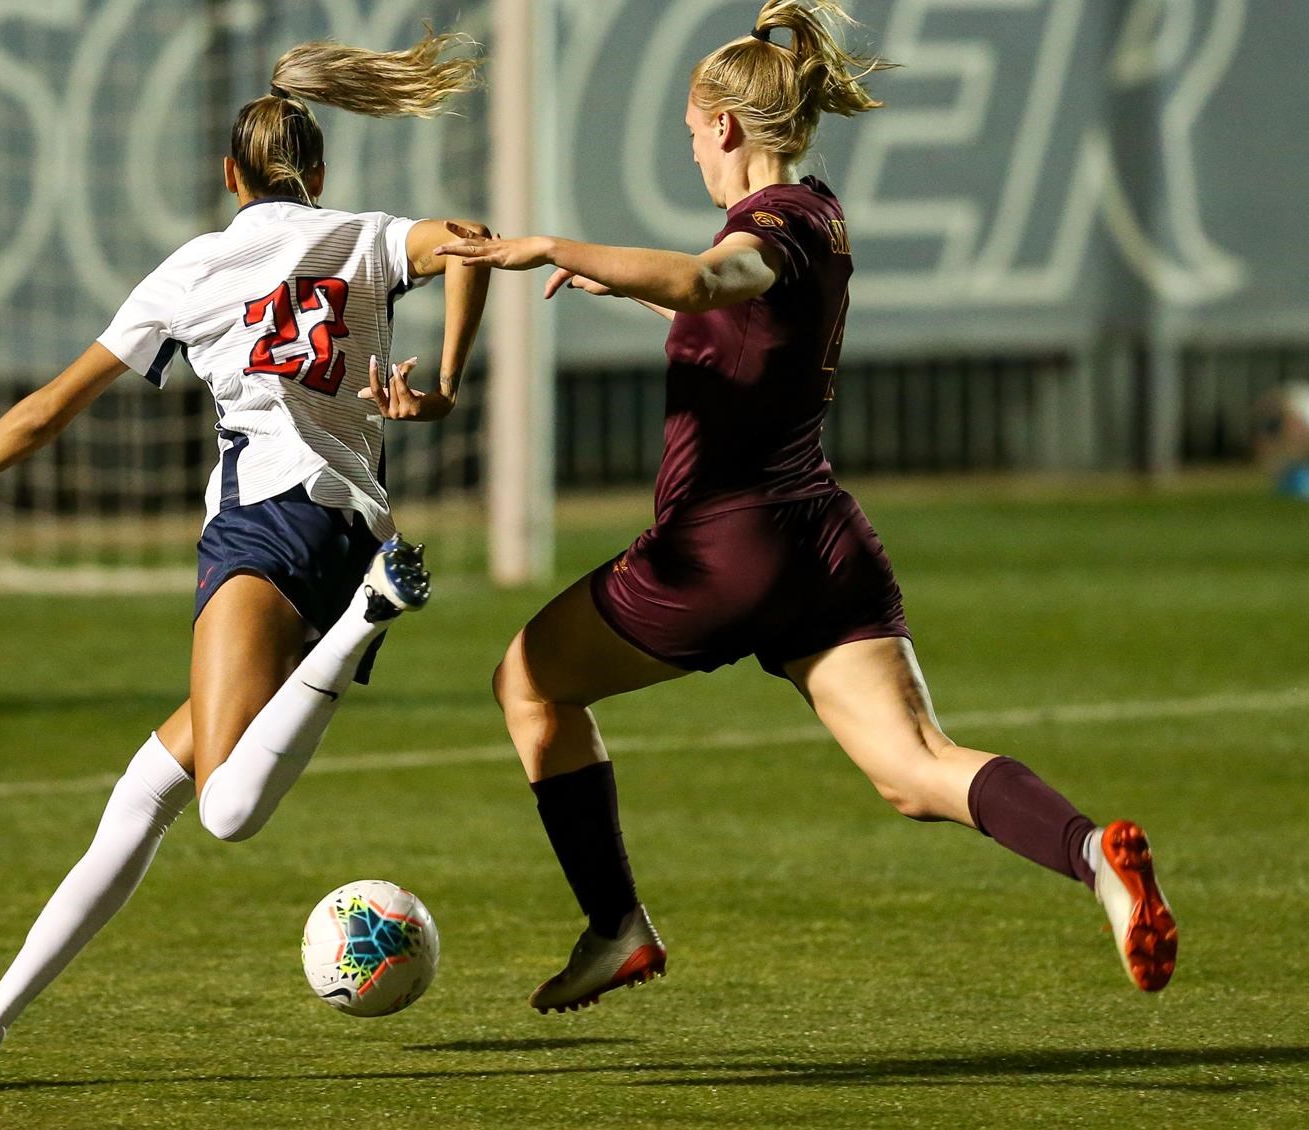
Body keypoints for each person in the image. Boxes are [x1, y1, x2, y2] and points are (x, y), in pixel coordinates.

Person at [434, 0, 1174, 1013]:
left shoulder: (765, 226)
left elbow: (707, 280)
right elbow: (729, 316)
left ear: (725, 126)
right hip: (821, 545)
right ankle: (1092, 854)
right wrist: (630, 293)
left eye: (690, 132)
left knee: (527, 682)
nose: (691, 148)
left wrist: (549, 244)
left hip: (719, 548)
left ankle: (615, 925)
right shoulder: (818, 213)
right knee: (913, 769)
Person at [0, 32, 491, 1089]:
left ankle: (371, 613)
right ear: (315, 171)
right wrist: (446, 385)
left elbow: (45, 411)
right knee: (146, 788)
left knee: (226, 809)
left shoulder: (192, 269)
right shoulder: (358, 236)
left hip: (267, 532)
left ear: (229, 176)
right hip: (344, 532)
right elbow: (468, 242)